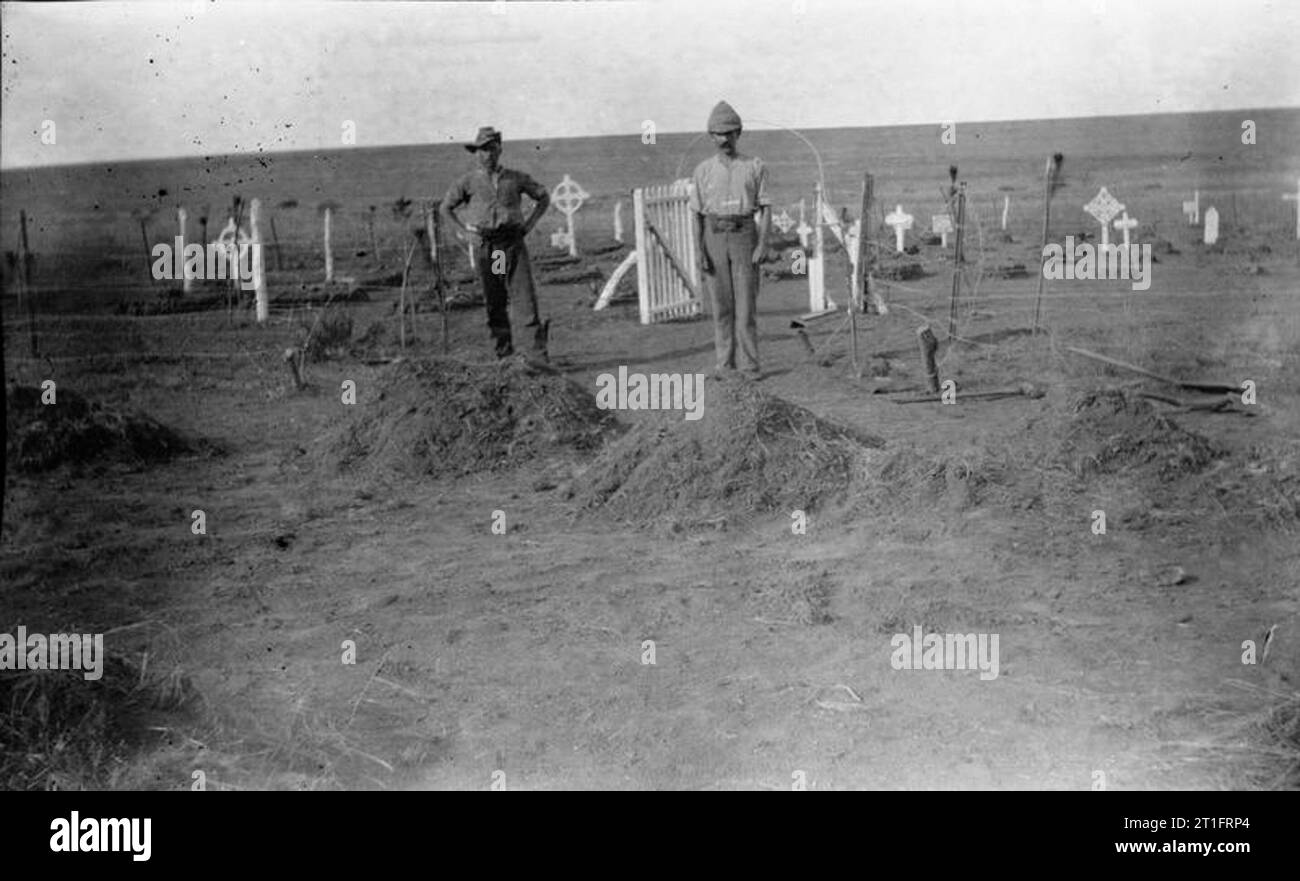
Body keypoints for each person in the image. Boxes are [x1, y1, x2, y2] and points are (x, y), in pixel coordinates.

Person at [442, 126, 551, 359]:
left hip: (512, 244)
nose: (486, 155)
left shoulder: (515, 178)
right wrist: (464, 233)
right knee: (496, 300)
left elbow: (543, 196)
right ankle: (504, 356)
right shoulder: (468, 182)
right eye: (481, 150)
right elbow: (446, 208)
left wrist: (529, 225)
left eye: (491, 149)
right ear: (476, 153)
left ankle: (537, 357)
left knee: (525, 301)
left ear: (499, 150)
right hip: (492, 250)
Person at [689, 101, 771, 379]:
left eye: (730, 133)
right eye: (718, 134)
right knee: (721, 306)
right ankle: (725, 364)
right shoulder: (702, 171)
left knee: (745, 306)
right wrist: (699, 250)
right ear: (711, 136)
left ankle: (749, 364)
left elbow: (766, 207)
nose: (724, 139)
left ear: (739, 133)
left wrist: (762, 244)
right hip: (714, 237)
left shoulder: (755, 166)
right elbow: (697, 214)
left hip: (744, 235)